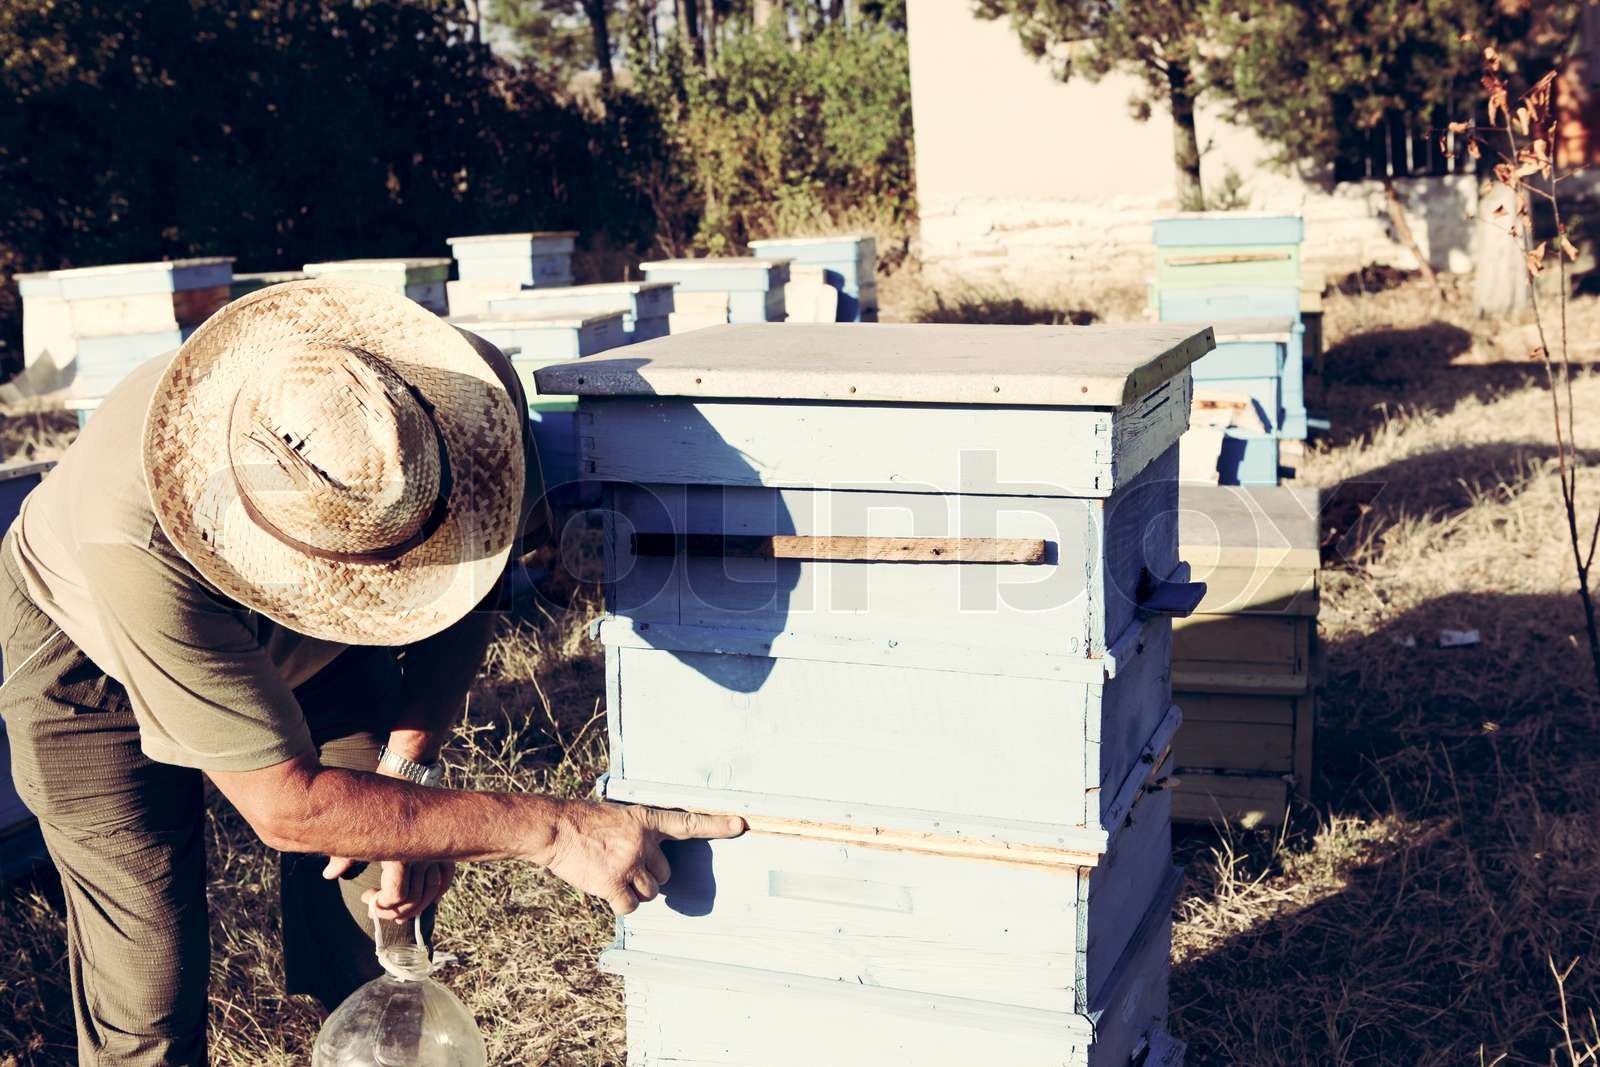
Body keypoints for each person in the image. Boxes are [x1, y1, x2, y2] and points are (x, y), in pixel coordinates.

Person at [0, 279, 743, 1066]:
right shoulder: (139, 547)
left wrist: (408, 768)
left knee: (377, 910)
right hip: (88, 661)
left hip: (319, 643)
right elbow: (288, 807)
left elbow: (475, 589)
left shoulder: (457, 402)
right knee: (147, 989)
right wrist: (551, 829)